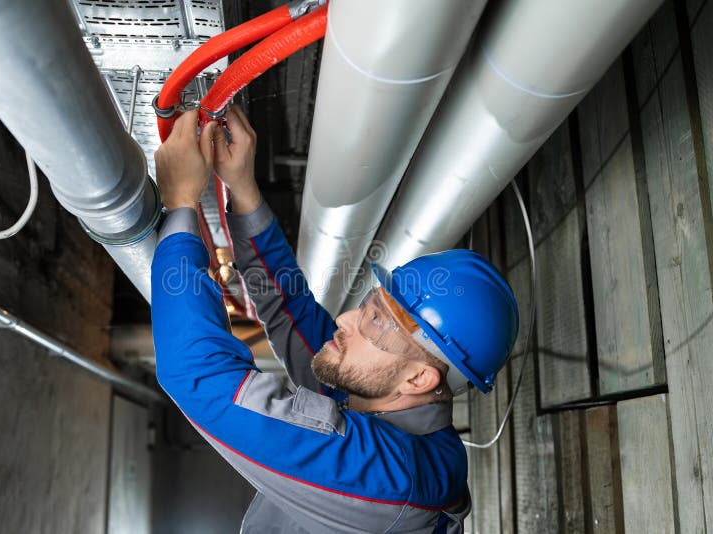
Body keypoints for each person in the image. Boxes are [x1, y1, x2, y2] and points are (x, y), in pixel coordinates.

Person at [151, 106, 519, 533]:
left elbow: (197, 376)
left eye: (377, 323)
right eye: (368, 306)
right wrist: (243, 189)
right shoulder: (373, 394)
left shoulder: (389, 479)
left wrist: (180, 205)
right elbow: (290, 308)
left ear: (419, 380)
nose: (345, 319)